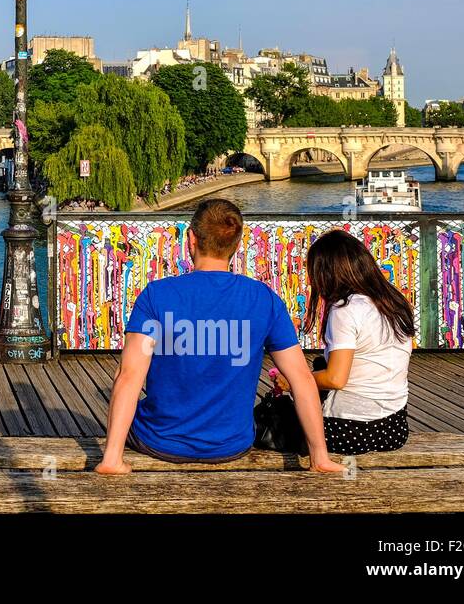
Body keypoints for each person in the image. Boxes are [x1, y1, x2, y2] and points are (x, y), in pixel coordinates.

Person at [96, 198, 343, 474]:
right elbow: (302, 378)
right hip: (231, 446)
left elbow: (129, 376)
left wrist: (112, 458)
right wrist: (319, 457)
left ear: (191, 239)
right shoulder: (263, 299)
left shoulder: (156, 295)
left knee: (132, 393)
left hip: (160, 442)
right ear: (236, 246)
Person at [271, 229, 413, 454]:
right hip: (394, 427)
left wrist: (293, 381)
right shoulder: (394, 303)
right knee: (320, 364)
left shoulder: (345, 309)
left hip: (350, 429)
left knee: (270, 425)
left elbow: (336, 379)